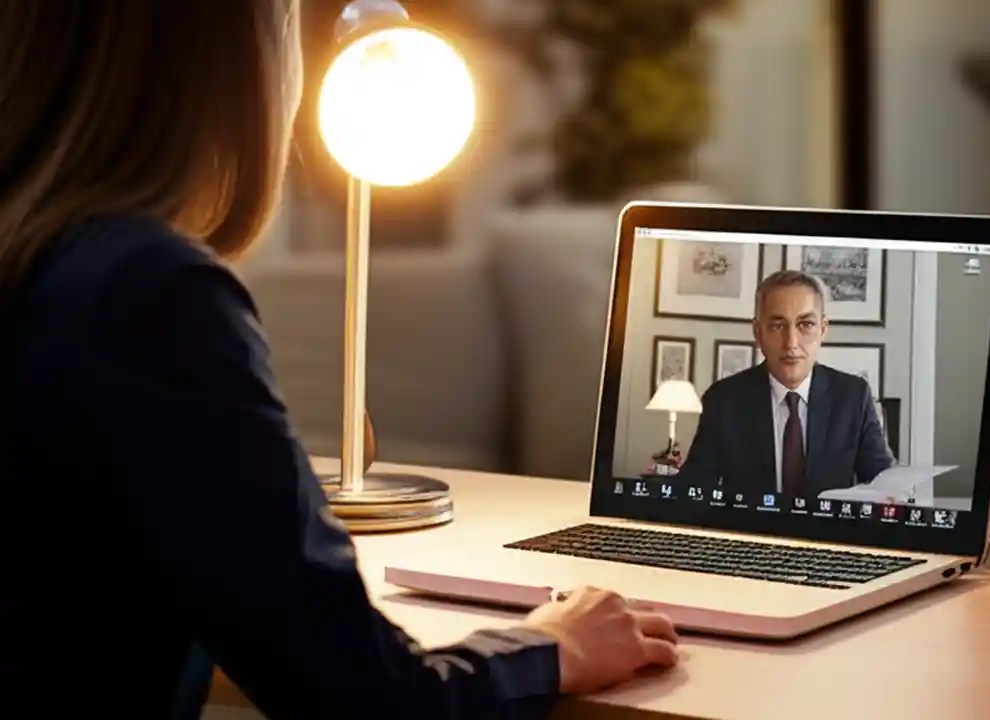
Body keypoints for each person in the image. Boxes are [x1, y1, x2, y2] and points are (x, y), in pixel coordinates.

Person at [0, 3, 677, 718]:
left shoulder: (51, 267)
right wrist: (547, 648)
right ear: (239, 64)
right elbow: (363, 696)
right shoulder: (150, 297)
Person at [678, 270, 893, 497]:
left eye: (806, 324)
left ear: (823, 329)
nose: (791, 343)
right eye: (777, 326)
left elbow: (882, 481)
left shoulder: (853, 396)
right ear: (758, 333)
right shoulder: (723, 400)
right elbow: (694, 489)